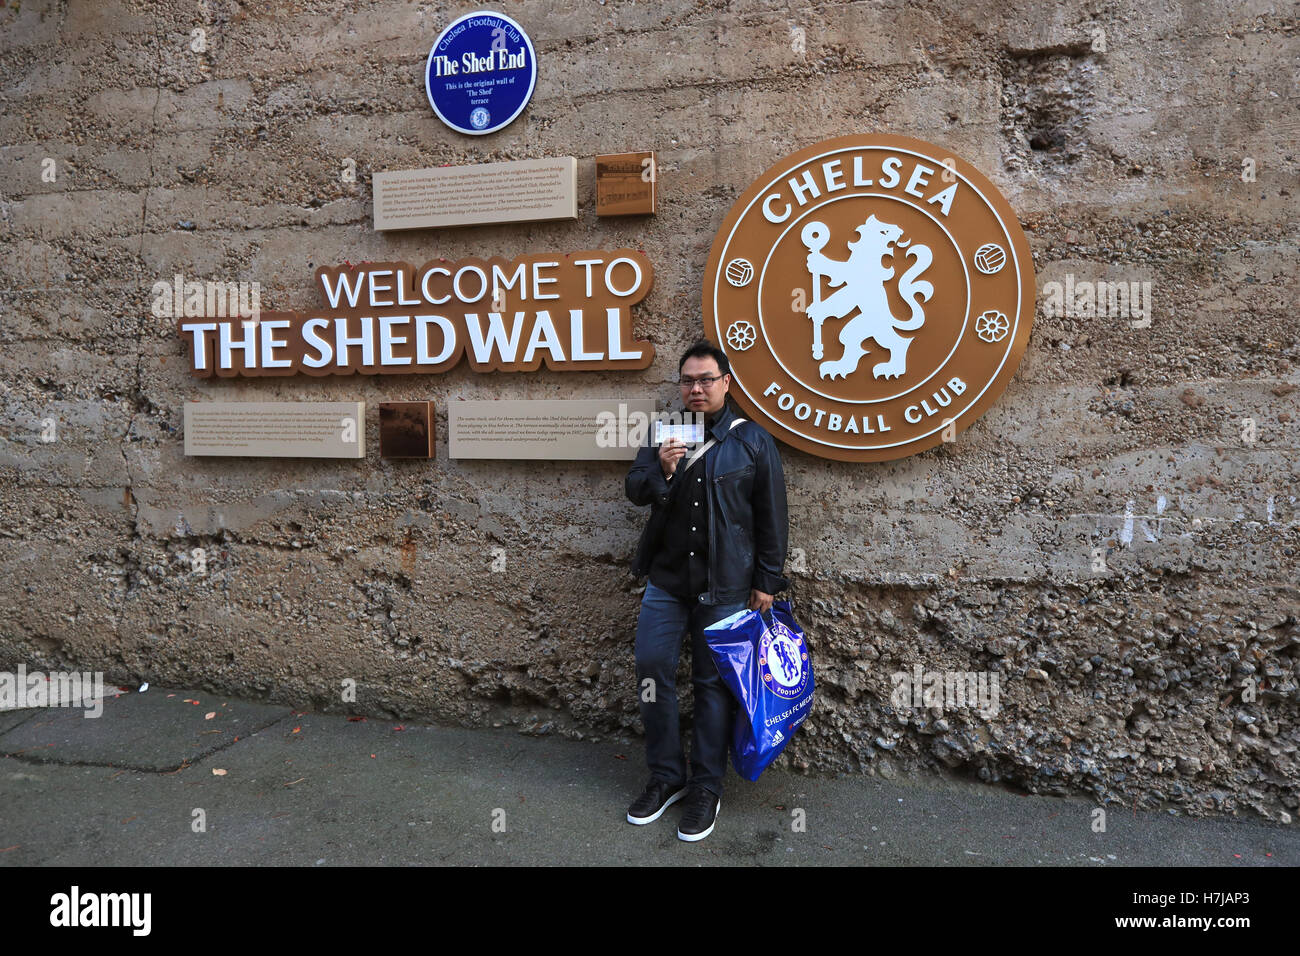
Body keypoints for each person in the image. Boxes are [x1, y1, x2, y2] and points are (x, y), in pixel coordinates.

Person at [623, 339, 789, 841]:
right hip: (668, 582)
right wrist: (664, 471)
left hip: (726, 587)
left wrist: (767, 581)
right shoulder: (663, 432)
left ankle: (706, 788)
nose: (696, 388)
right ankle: (667, 776)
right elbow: (634, 488)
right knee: (652, 667)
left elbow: (772, 517)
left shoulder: (752, 441)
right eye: (688, 380)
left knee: (713, 685)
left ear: (725, 383)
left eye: (706, 380)